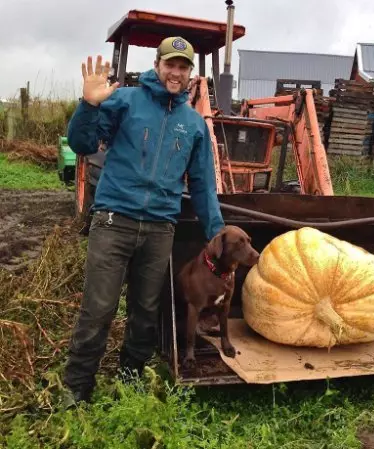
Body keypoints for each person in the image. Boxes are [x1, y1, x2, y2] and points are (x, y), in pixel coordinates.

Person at [63, 36, 225, 404]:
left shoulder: (194, 125)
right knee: (99, 309)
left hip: (159, 230)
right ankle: (76, 387)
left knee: (145, 312)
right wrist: (88, 105)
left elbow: (202, 187)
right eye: (170, 64)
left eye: (183, 68)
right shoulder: (125, 100)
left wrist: (218, 233)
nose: (176, 72)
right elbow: (82, 144)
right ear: (157, 65)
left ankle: (130, 379)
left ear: (190, 75)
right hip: (113, 220)